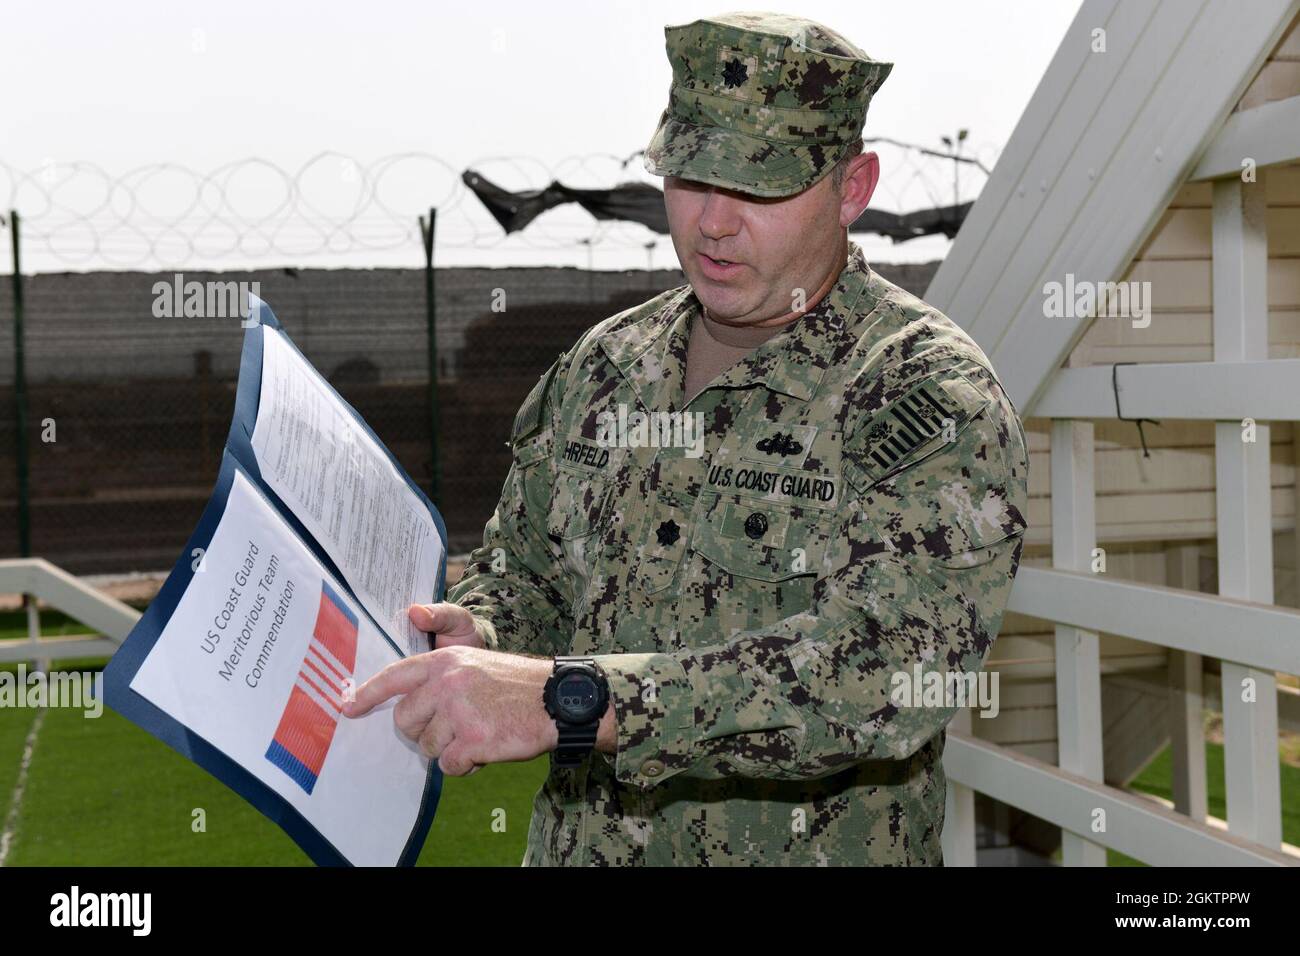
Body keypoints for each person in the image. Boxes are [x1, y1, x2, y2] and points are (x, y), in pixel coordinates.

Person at [344, 10, 1028, 866]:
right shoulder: (606, 367)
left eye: (760, 187)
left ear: (853, 188)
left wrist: (572, 700)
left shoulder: (921, 393)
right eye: (693, 178)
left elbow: (882, 678)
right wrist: (479, 630)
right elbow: (530, 575)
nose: (713, 222)